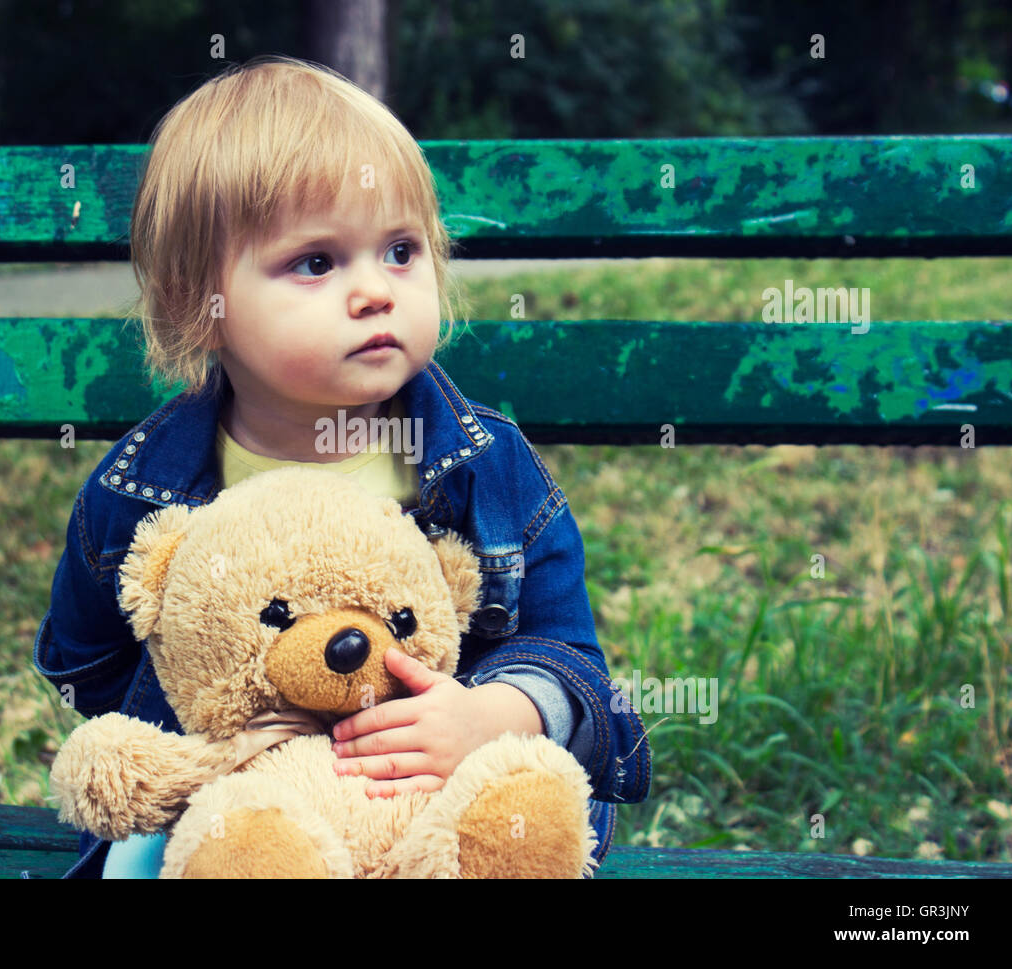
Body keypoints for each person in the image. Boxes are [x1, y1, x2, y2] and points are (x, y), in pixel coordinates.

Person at [33, 54, 650, 878]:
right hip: (248, 830)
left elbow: (573, 660)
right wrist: (211, 739)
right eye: (317, 262)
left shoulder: (485, 465)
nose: (374, 291)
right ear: (199, 304)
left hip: (429, 818)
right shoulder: (141, 491)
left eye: (400, 249)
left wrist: (495, 714)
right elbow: (82, 657)